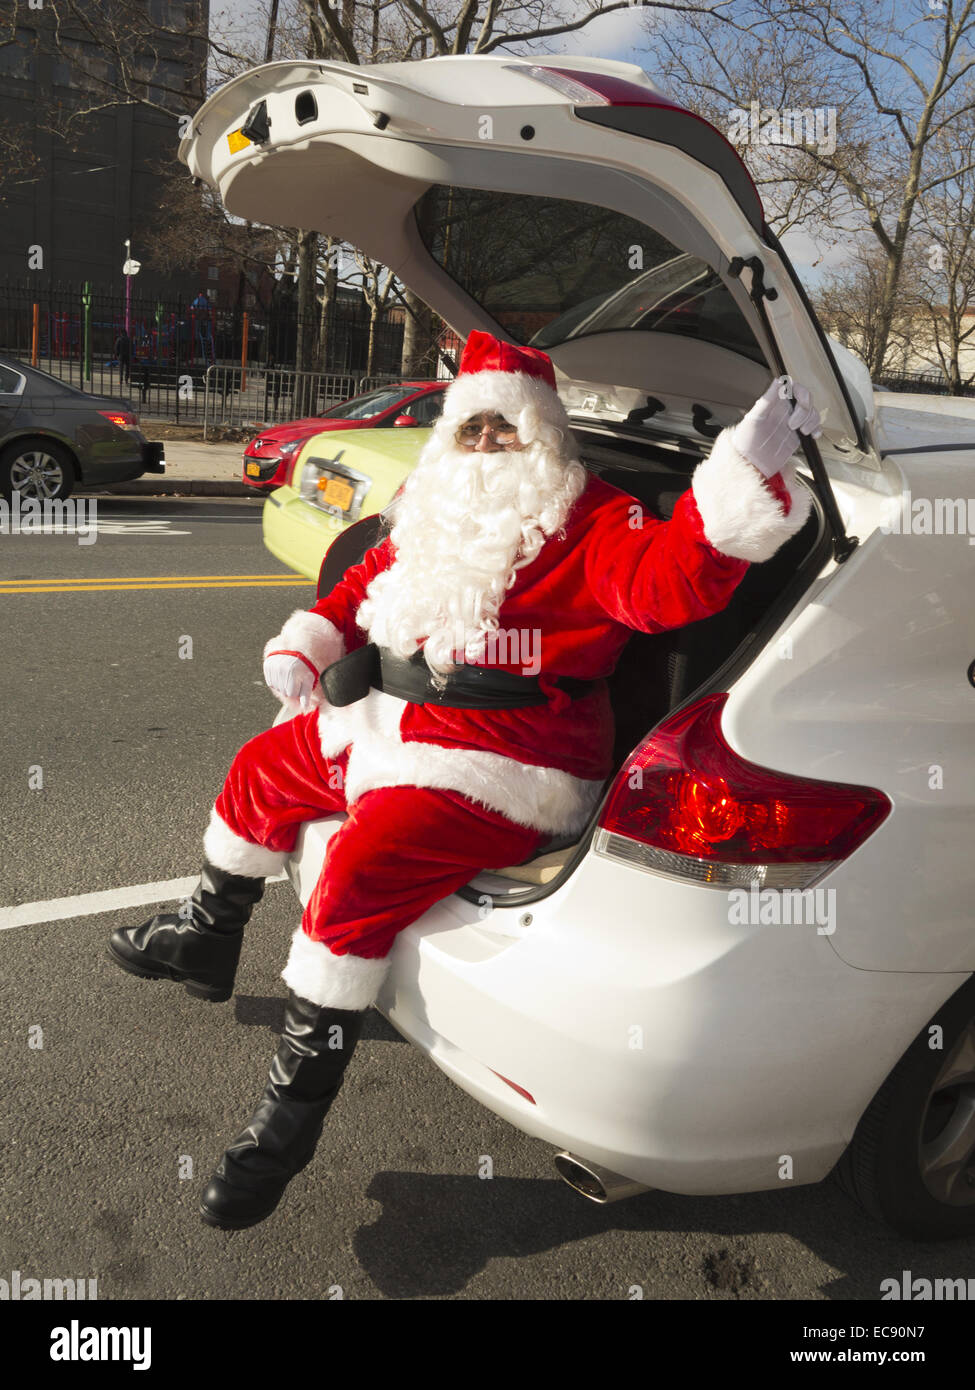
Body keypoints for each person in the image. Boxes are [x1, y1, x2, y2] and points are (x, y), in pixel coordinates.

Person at [108, 330, 820, 1230]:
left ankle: (283, 1131)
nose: (486, 446)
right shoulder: (429, 508)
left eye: (505, 431)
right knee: (261, 765)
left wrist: (728, 492)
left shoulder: (592, 518)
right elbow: (362, 581)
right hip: (390, 717)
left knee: (359, 873)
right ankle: (205, 937)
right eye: (473, 428)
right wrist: (310, 639)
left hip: (508, 758)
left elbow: (664, 587)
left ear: (546, 438)